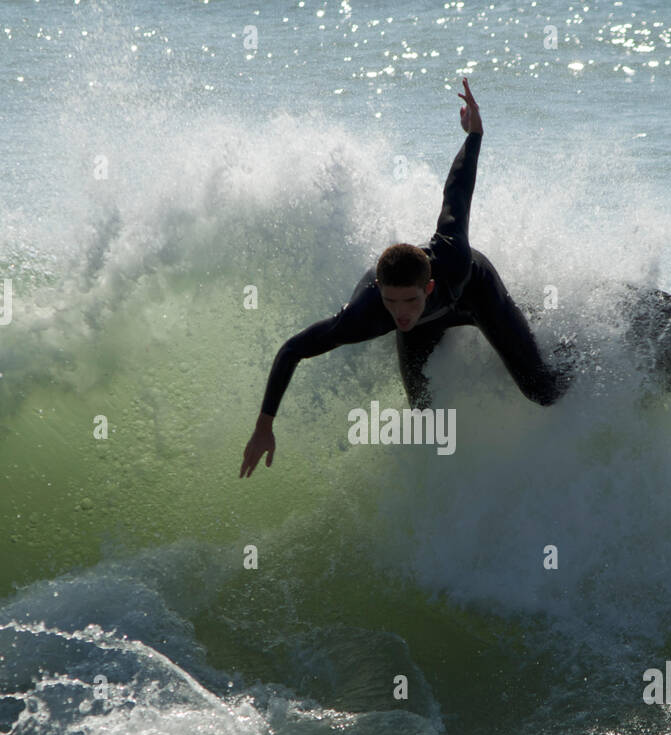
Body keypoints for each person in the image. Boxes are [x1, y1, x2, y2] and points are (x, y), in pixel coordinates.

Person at [240, 78, 573, 478]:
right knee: (424, 419)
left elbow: (457, 192)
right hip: (427, 326)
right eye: (391, 302)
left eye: (409, 301)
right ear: (379, 291)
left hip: (475, 296)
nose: (400, 314)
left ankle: (580, 343)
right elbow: (293, 349)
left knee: (544, 392)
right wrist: (264, 426)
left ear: (427, 288)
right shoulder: (369, 314)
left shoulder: (451, 257)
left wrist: (474, 136)